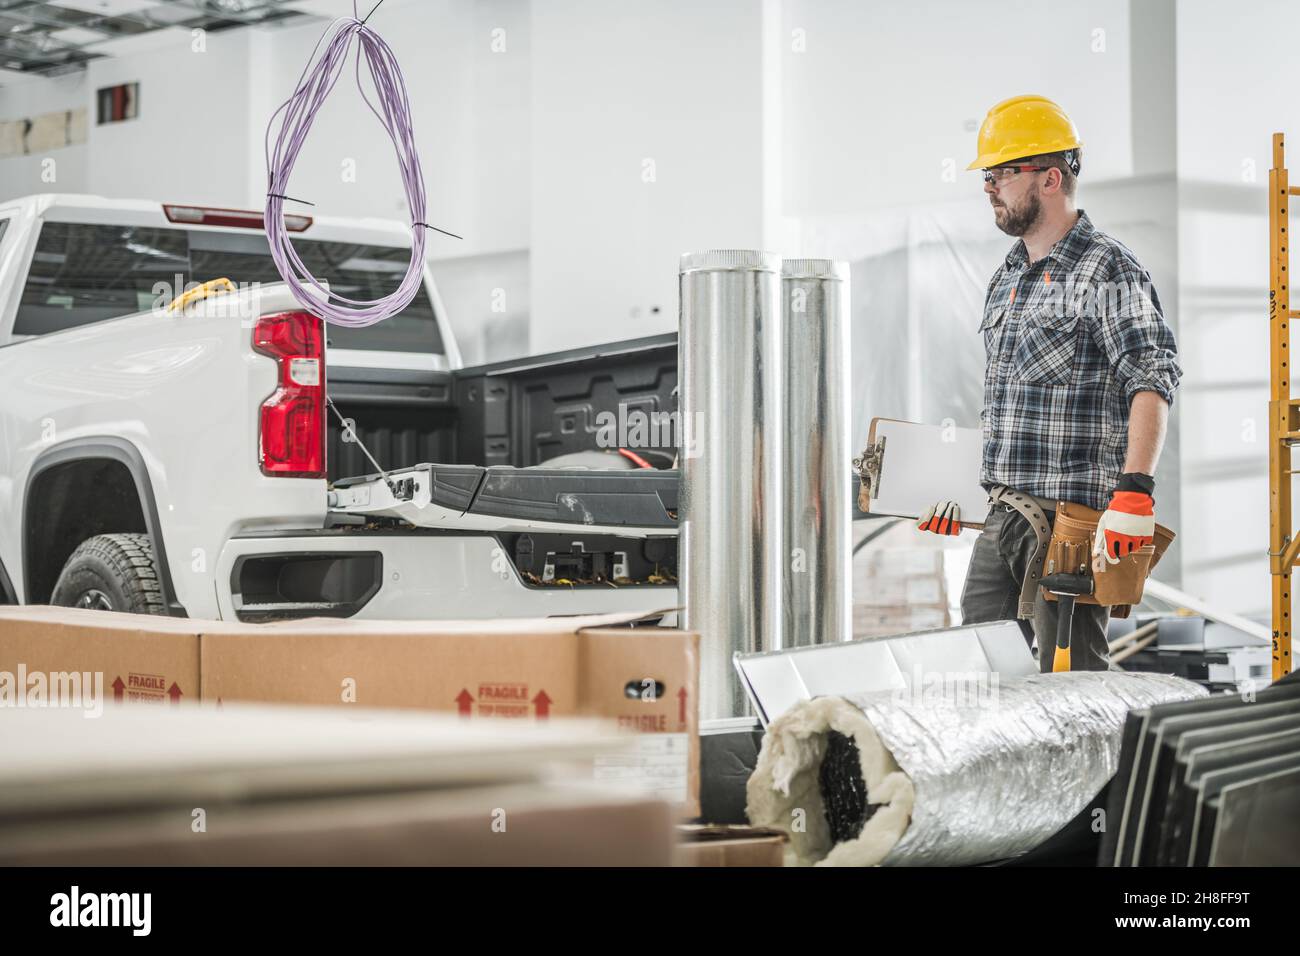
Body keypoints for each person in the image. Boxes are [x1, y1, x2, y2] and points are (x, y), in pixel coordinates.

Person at [916, 94, 1182, 670]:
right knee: (979, 673)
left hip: (1067, 528)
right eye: (987, 175)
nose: (989, 187)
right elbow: (1010, 414)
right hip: (1001, 518)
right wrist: (956, 497)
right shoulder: (1007, 276)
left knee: (1070, 685)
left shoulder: (1108, 268)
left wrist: (1135, 488)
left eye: (1003, 173)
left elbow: (1152, 375)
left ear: (1050, 178)